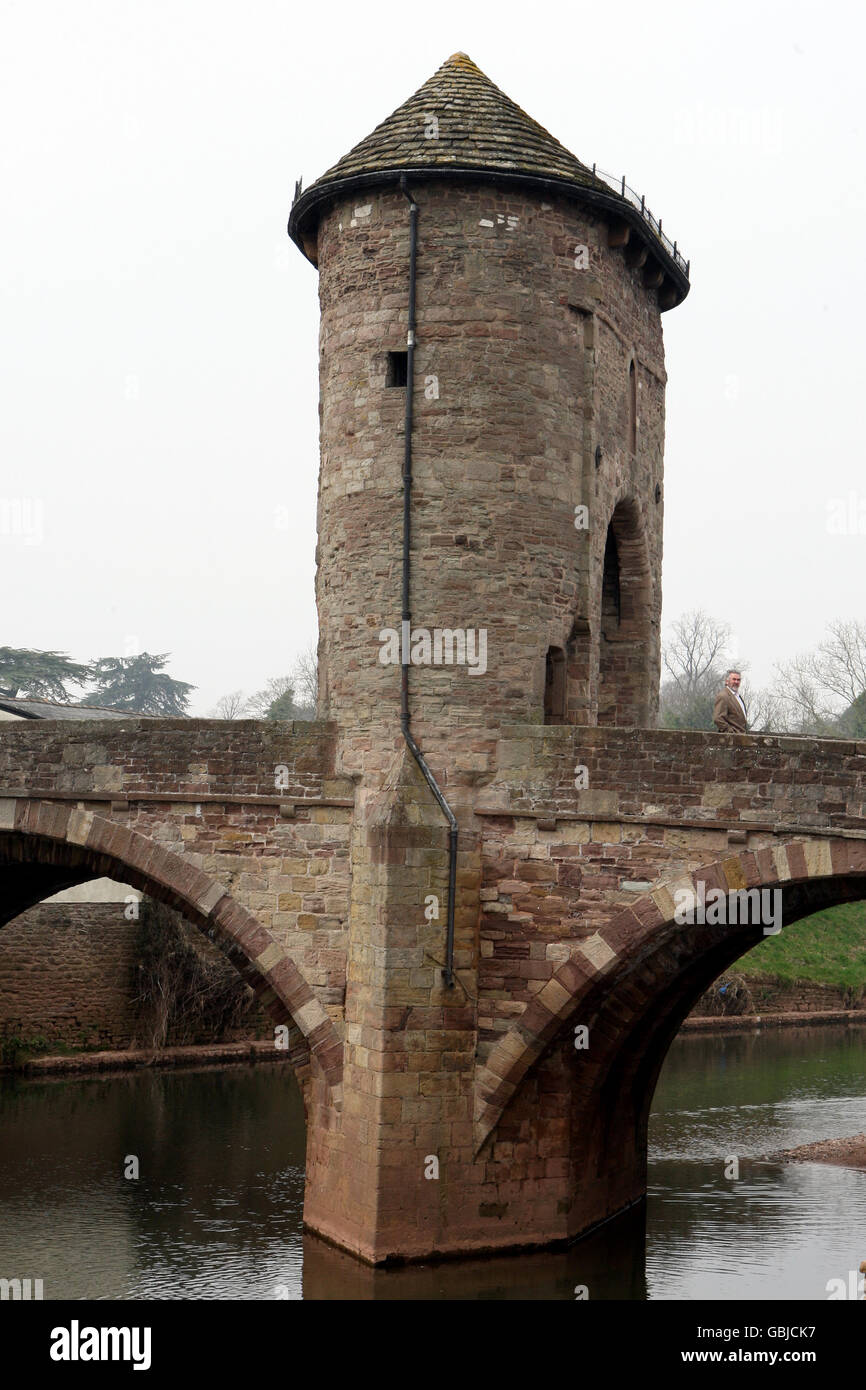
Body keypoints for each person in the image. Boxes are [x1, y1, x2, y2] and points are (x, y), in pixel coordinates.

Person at [713, 668, 749, 733]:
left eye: (738, 680)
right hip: (731, 740)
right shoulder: (723, 696)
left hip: (741, 738)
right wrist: (731, 732)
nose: (736, 682)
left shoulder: (738, 697)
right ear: (727, 681)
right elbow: (718, 719)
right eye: (734, 679)